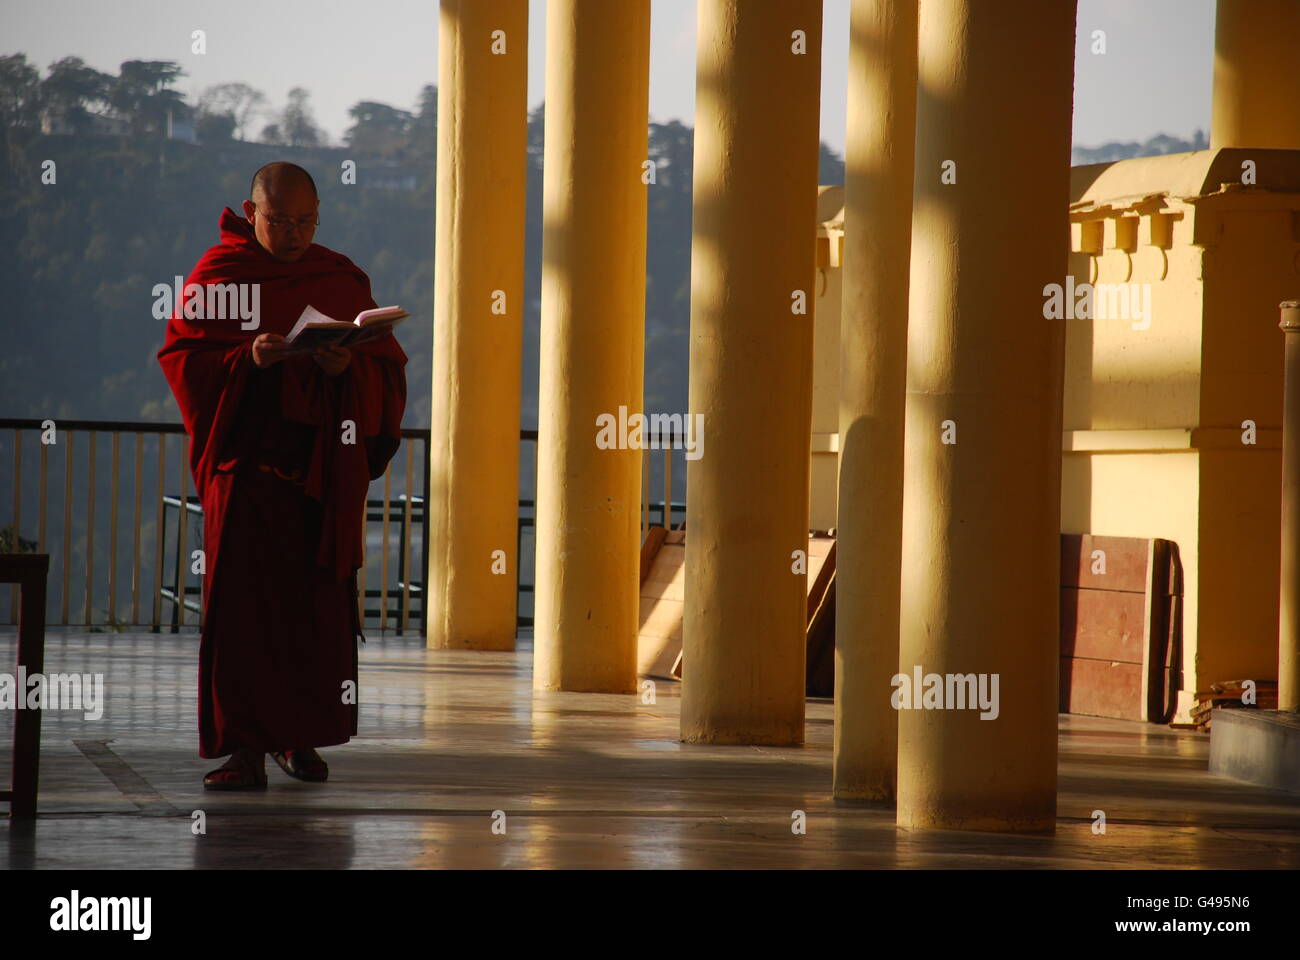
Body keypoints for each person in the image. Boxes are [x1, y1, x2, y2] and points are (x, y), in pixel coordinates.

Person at [158, 162, 407, 789]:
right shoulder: (221, 277)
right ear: (250, 213)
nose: (294, 234)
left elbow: (383, 368)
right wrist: (246, 358)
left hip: (317, 476)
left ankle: (300, 738)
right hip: (248, 476)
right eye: (280, 221)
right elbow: (184, 360)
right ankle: (243, 748)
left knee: (313, 613)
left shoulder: (338, 276)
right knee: (243, 614)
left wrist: (339, 370)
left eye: (305, 221)